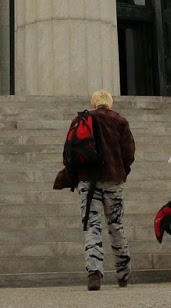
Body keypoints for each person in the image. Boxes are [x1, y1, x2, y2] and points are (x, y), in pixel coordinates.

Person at [53, 89, 136, 290]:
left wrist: (76, 176)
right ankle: (123, 273)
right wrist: (121, 171)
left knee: (92, 225)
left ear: (93, 103)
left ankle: (94, 274)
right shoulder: (120, 121)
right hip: (113, 180)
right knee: (116, 224)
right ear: (110, 103)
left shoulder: (81, 120)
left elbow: (69, 153)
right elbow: (129, 153)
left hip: (88, 181)